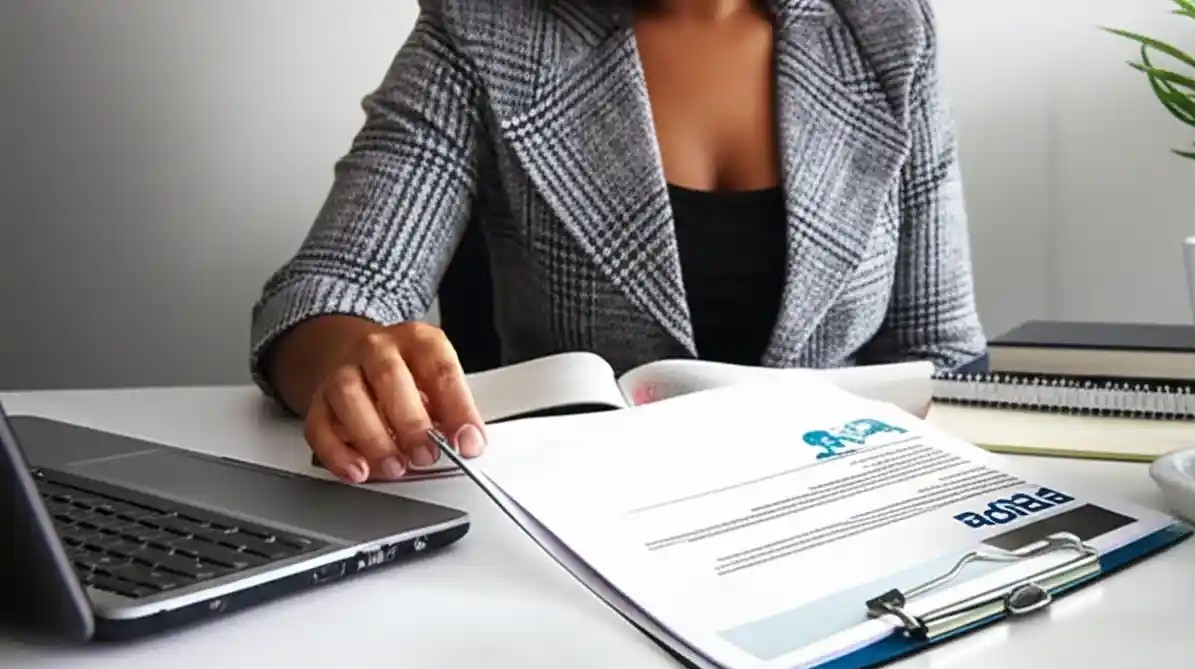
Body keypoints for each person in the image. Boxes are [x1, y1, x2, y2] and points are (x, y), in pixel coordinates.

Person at [250, 0, 987, 484]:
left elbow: (944, 359)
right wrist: (350, 366)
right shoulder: (487, 27)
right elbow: (333, 286)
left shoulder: (888, 33)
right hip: (572, 538)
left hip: (839, 520)